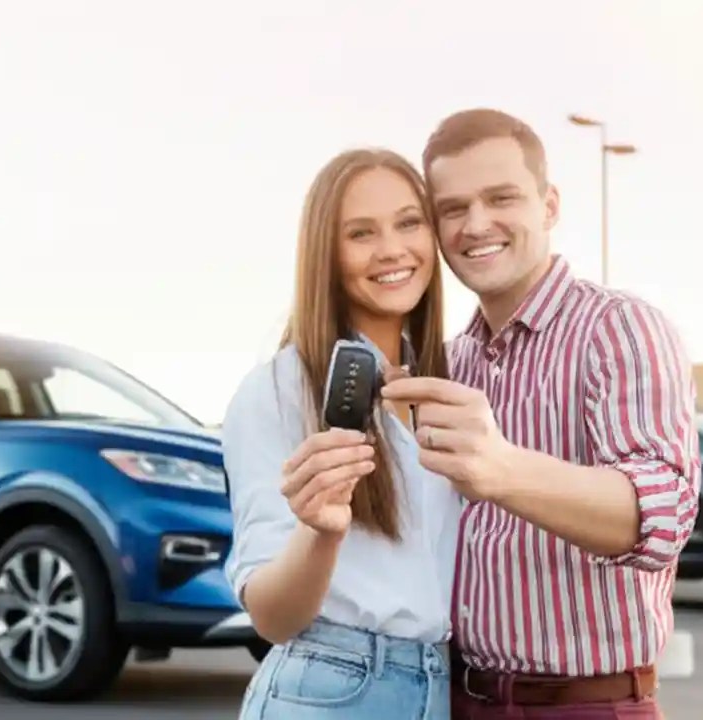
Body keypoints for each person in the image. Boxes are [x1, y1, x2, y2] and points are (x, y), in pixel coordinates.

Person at [382, 108, 700, 719]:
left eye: (501, 197)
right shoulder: (447, 365)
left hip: (585, 706)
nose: (477, 225)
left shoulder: (620, 328)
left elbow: (664, 516)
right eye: (453, 208)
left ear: (549, 205)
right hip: (456, 699)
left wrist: (500, 469)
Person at [221, 147, 464, 719]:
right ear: (326, 254)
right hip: (330, 690)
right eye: (361, 233)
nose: (392, 250)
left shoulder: (442, 389)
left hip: (435, 687)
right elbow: (271, 618)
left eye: (409, 223)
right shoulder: (277, 392)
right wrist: (321, 532)